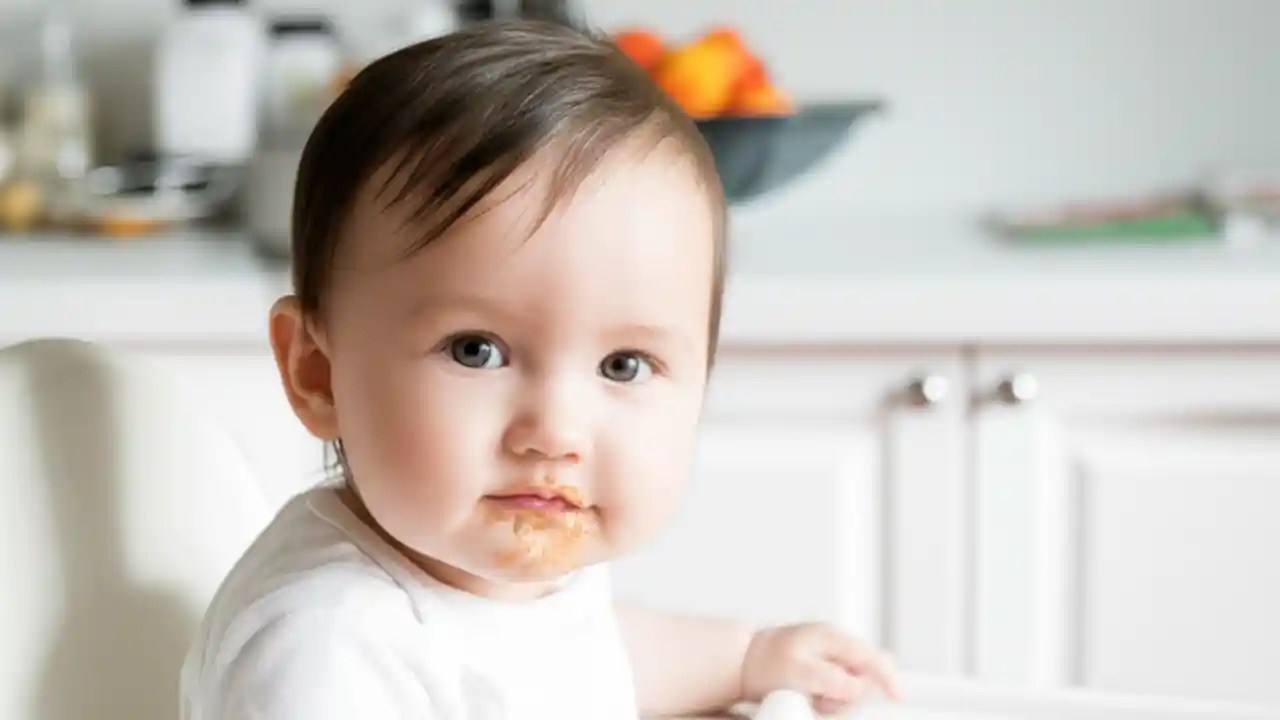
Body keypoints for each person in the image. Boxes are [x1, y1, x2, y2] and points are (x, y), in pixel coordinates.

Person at [181, 19, 900, 719]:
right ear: (317, 372)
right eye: (476, 350)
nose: (554, 432)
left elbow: (580, 658)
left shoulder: (492, 568)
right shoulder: (328, 648)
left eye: (623, 365)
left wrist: (750, 658)